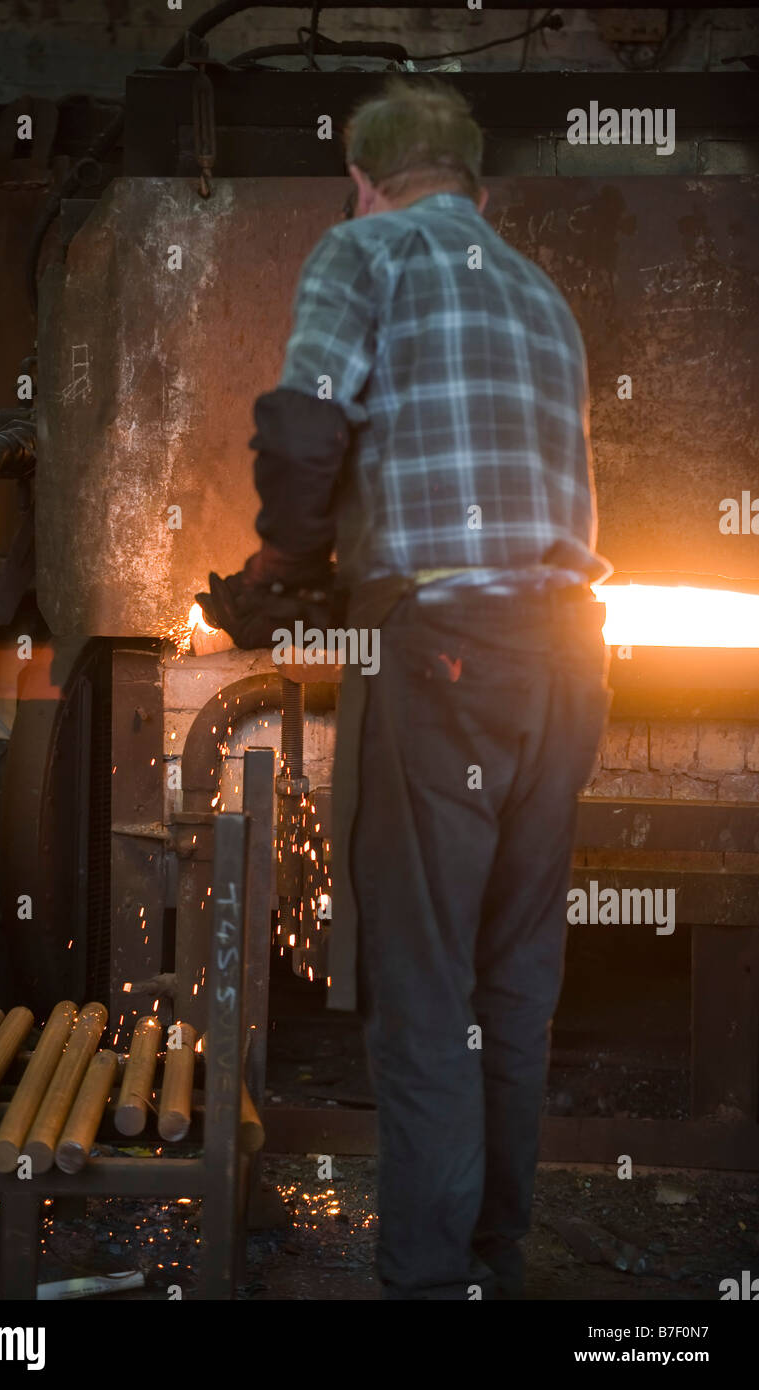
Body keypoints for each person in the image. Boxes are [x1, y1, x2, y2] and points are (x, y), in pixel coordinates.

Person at [199, 76, 613, 1301]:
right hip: (566, 656)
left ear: (363, 181)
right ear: (476, 187)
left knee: (425, 986)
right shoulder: (539, 295)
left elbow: (303, 426)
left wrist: (282, 564)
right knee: (513, 981)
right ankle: (493, 1257)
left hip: (444, 655)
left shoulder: (365, 249)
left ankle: (429, 1286)